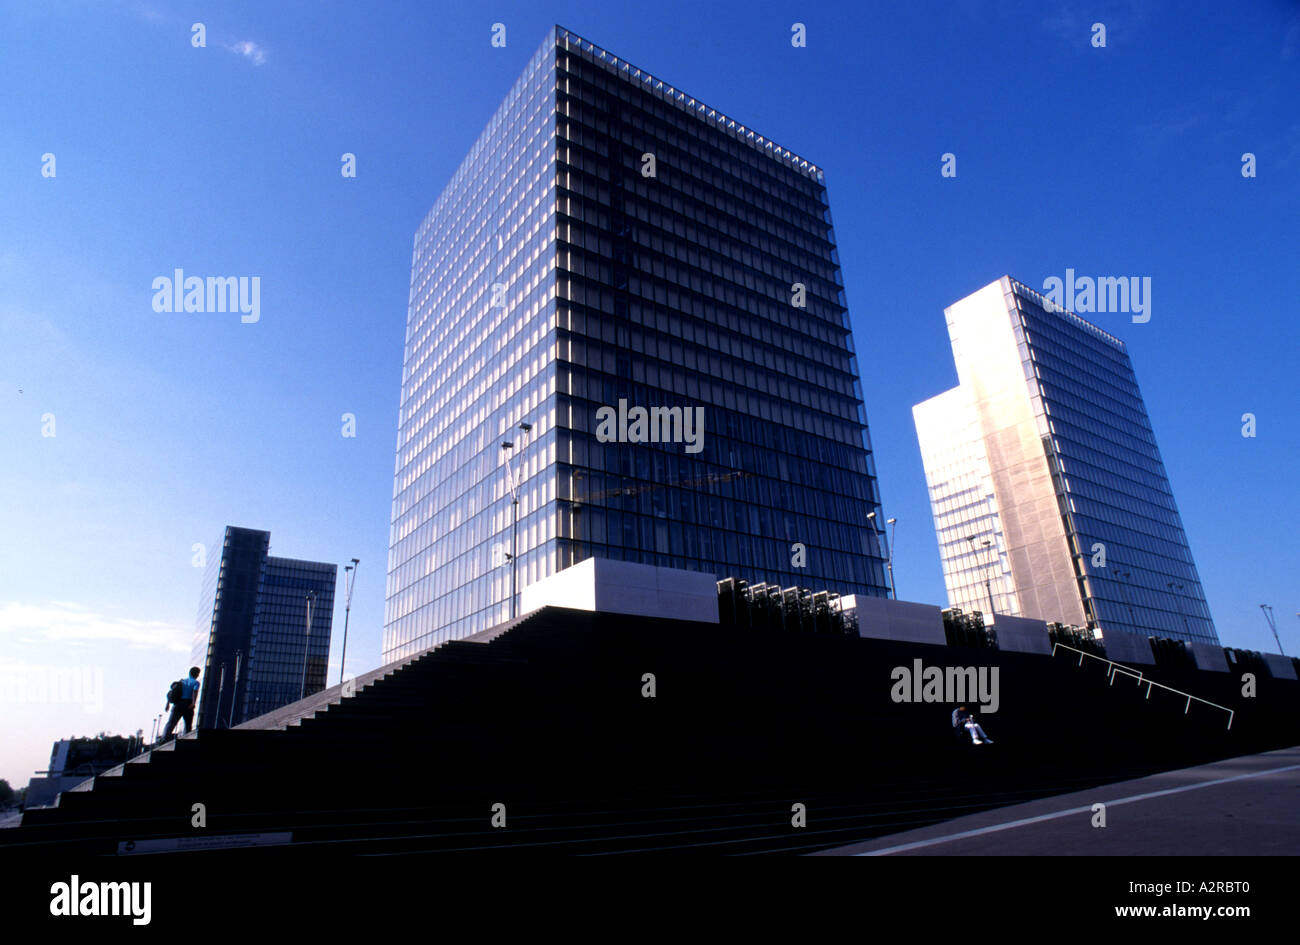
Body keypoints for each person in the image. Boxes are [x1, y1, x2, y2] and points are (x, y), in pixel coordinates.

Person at [161, 667, 201, 741]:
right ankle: (186, 739)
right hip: (187, 704)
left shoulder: (181, 682)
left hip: (177, 704)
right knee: (188, 724)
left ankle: (164, 739)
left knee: (171, 722)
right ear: (197, 674)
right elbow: (195, 692)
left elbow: (171, 692)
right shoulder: (196, 683)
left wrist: (167, 704)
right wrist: (193, 703)